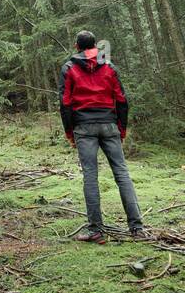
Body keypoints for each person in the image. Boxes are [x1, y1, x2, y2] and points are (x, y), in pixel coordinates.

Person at [58, 31, 149, 243]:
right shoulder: (109, 66)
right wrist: (122, 128)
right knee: (122, 174)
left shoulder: (69, 68)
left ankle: (96, 230)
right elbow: (122, 100)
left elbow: (65, 103)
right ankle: (136, 228)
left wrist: (69, 131)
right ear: (95, 46)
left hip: (83, 126)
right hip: (109, 124)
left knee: (90, 176)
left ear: (76, 46)